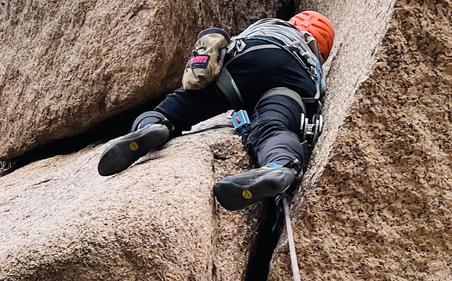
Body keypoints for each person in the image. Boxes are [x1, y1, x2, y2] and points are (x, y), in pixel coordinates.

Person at [98, 11, 335, 209]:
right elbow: (314, 100)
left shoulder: (269, 25)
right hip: (294, 81)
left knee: (176, 108)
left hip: (251, 57)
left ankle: (154, 125)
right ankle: (279, 165)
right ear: (322, 51)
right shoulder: (314, 63)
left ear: (294, 22)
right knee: (274, 127)